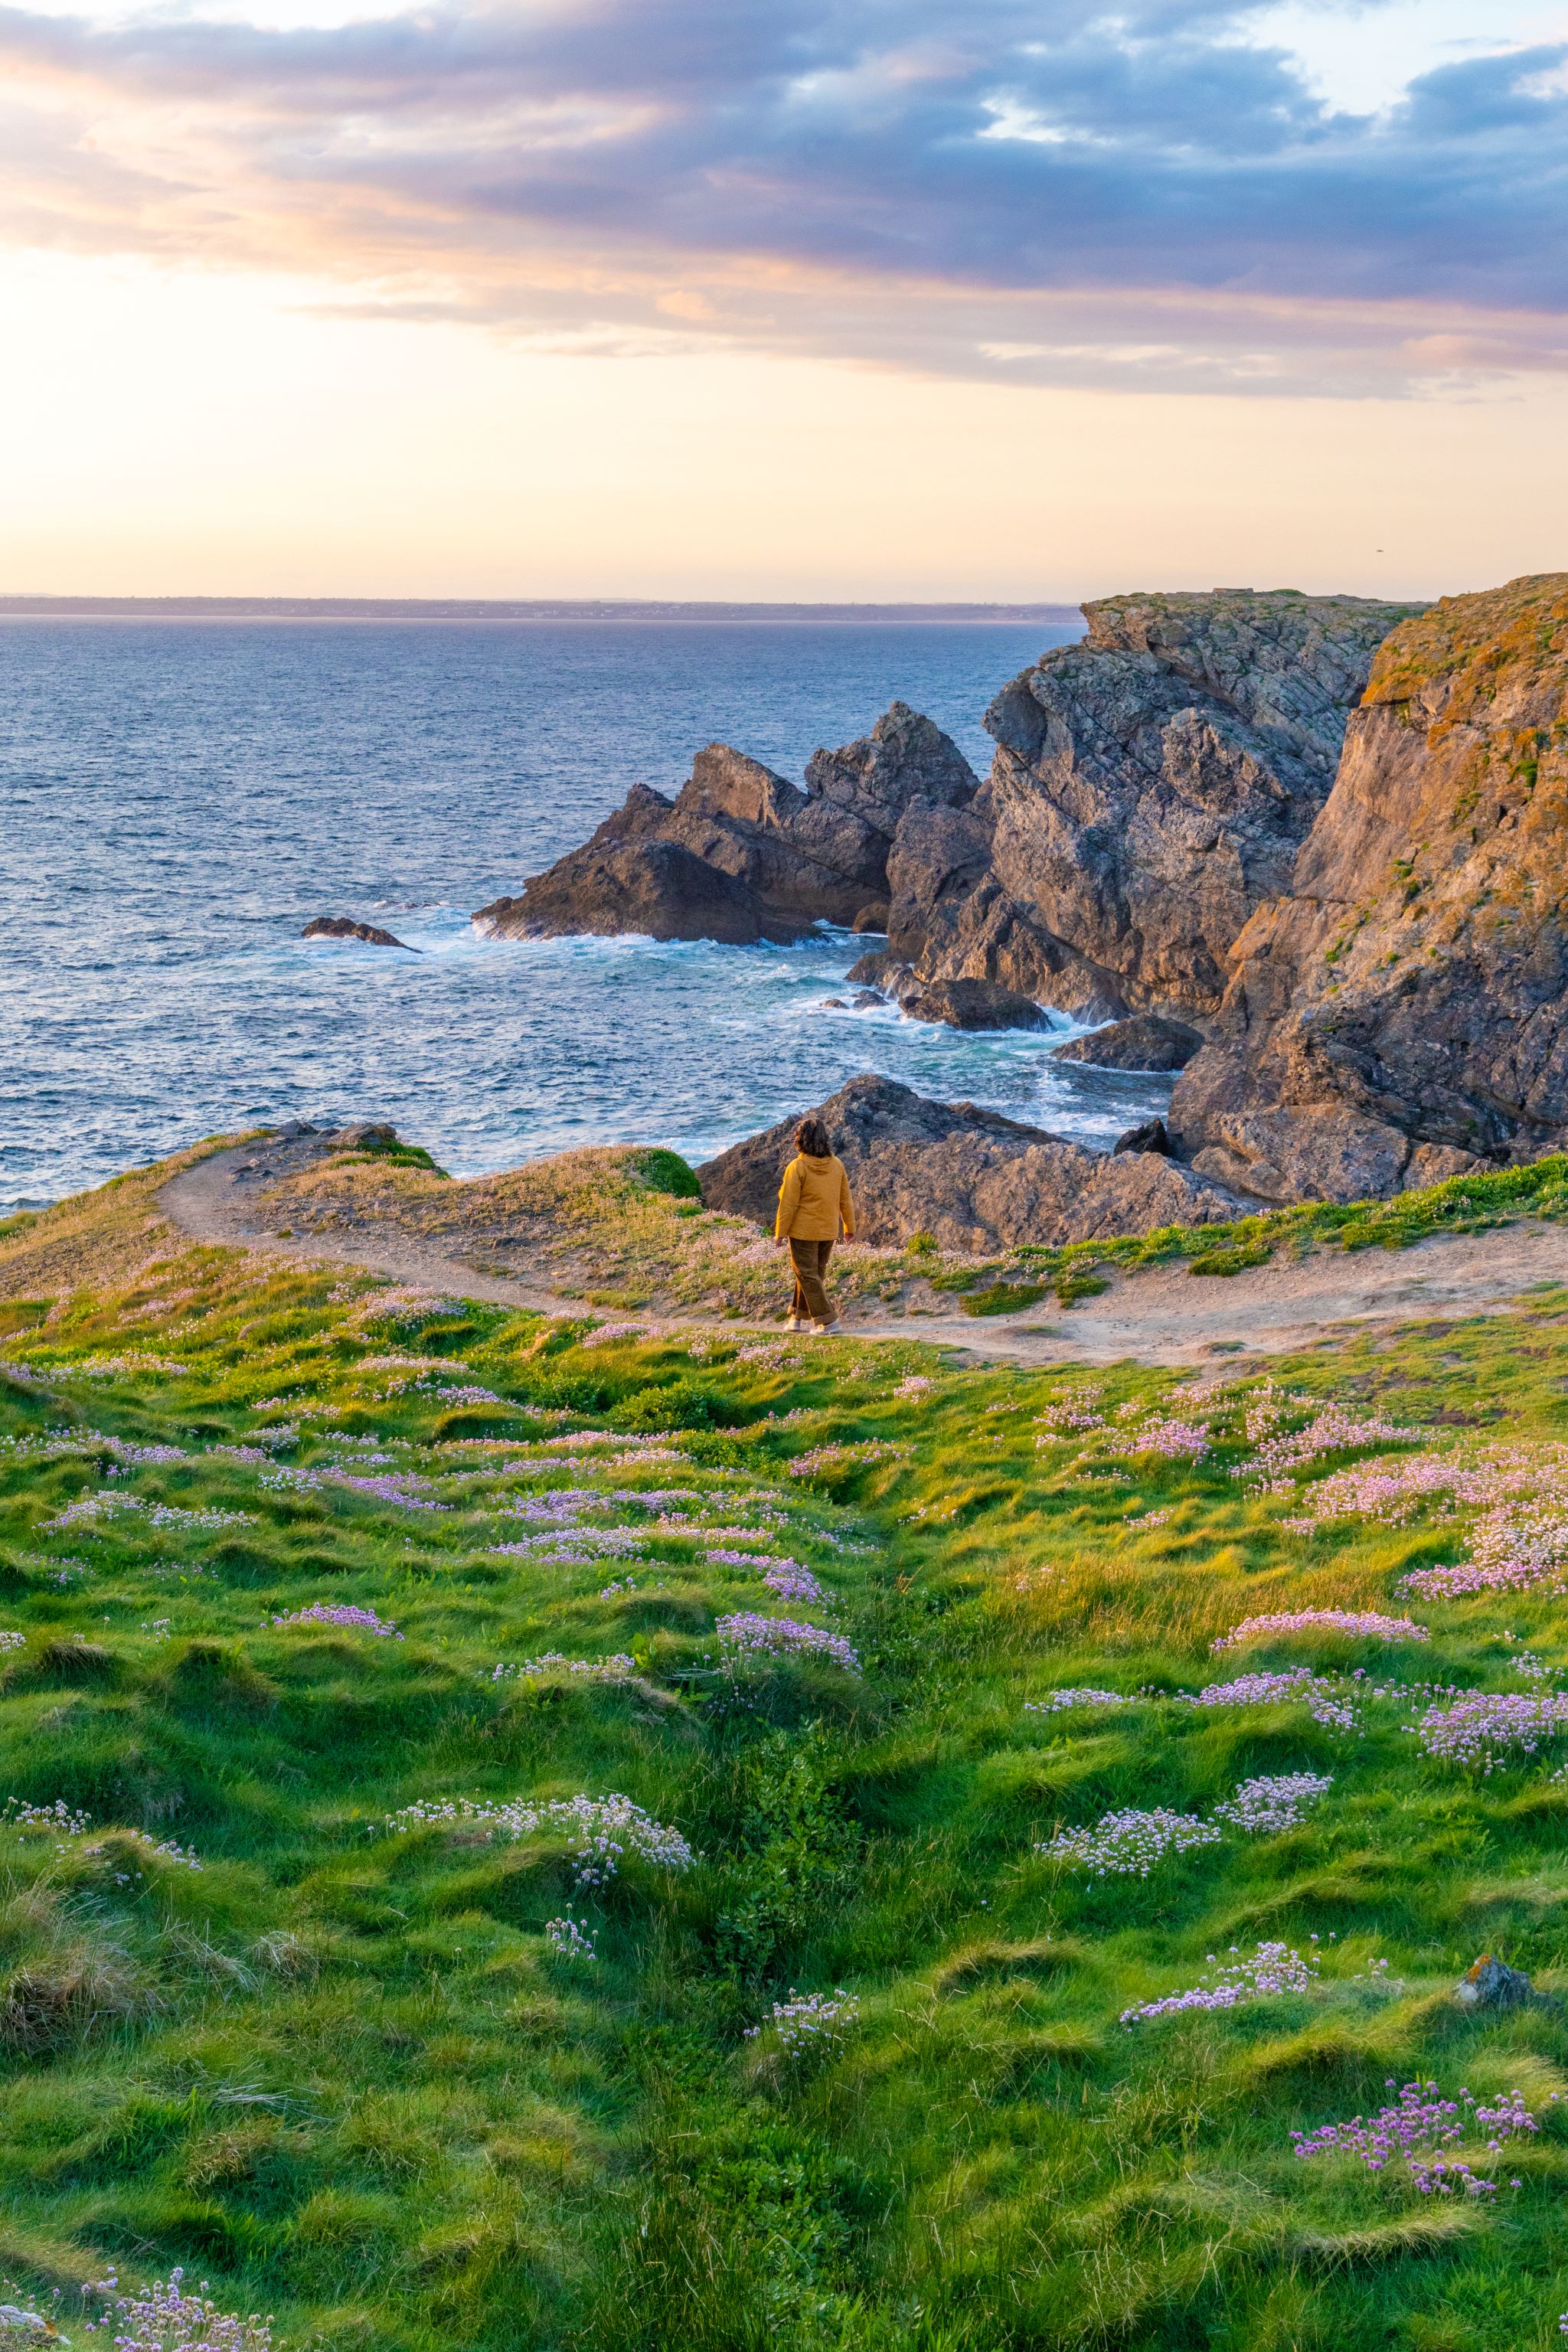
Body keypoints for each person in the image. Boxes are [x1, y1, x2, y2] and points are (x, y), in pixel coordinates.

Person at [773, 1116, 856, 1331]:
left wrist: (780, 1232)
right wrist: (849, 1227)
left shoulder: (797, 1166)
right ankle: (796, 1319)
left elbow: (788, 1203)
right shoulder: (837, 1164)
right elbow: (845, 1199)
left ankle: (829, 1321)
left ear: (801, 1139)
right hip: (828, 1230)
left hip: (803, 1231)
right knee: (813, 1276)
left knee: (808, 1275)